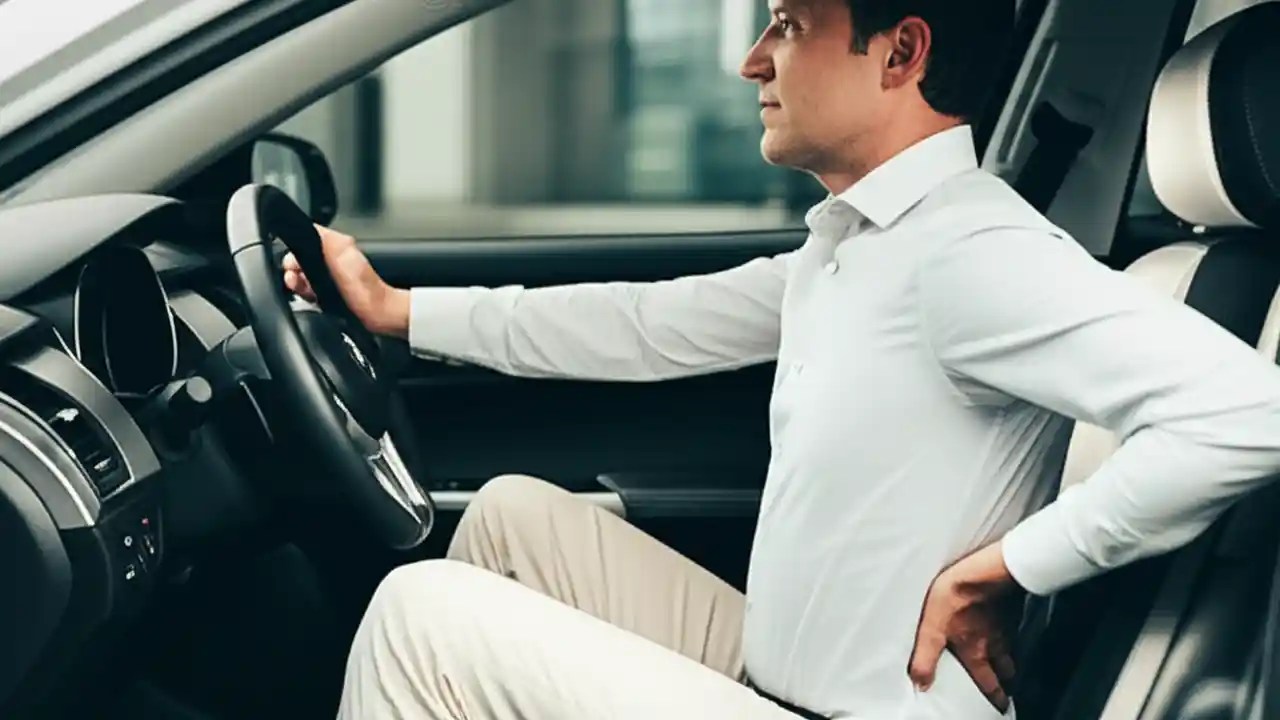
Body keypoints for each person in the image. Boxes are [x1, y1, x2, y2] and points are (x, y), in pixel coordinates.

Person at [283, 1, 1280, 718]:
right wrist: (397, 312)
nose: (750, 62)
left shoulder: (974, 253)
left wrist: (1009, 567)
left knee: (417, 615)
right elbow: (643, 323)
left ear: (900, 52)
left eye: (787, 26)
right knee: (512, 518)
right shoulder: (860, 242)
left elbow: (1250, 413)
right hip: (780, 678)